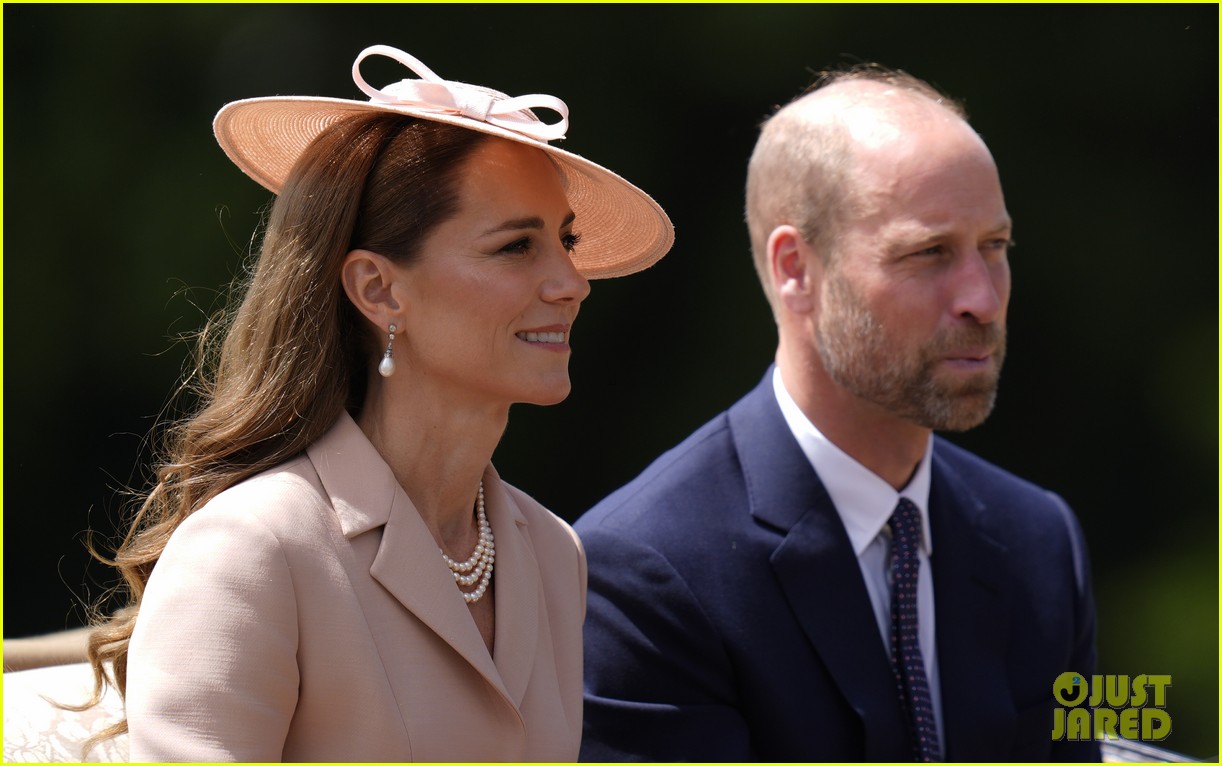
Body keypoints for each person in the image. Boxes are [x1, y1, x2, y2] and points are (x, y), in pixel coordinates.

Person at [80, 44, 673, 761]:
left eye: (566, 242)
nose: (571, 282)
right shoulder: (252, 552)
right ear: (378, 290)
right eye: (517, 247)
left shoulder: (553, 554)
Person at [576, 64, 1099, 762]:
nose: (982, 296)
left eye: (995, 247)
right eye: (929, 253)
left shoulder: (1039, 541)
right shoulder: (647, 570)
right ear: (796, 268)